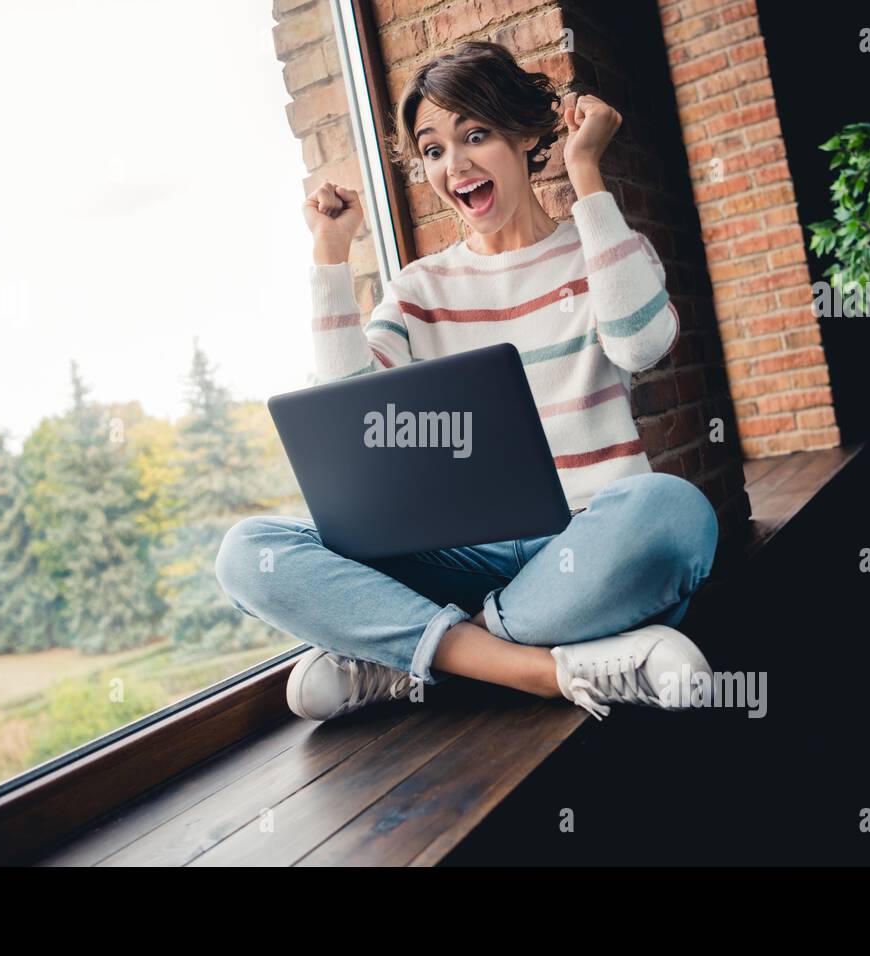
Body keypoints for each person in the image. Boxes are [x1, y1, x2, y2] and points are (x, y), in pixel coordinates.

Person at [216, 41, 718, 722]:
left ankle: (425, 658)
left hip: (583, 546)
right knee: (249, 553)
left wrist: (586, 172)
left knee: (674, 513)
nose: (454, 165)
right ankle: (547, 666)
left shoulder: (601, 247)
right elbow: (349, 407)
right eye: (433, 149)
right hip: (459, 558)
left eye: (475, 135)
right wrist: (331, 256)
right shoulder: (421, 289)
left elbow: (640, 343)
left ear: (524, 137)